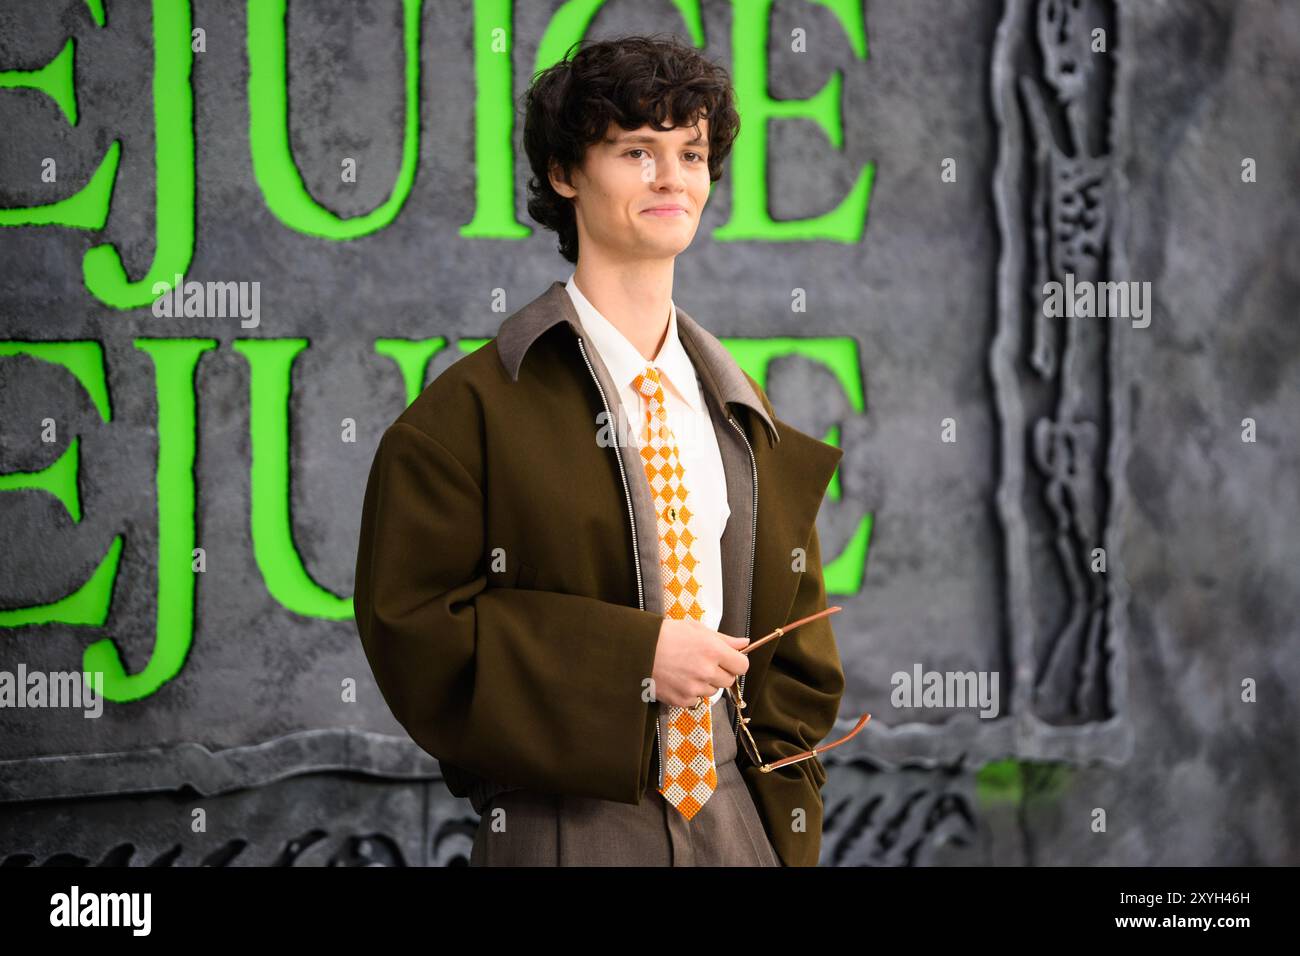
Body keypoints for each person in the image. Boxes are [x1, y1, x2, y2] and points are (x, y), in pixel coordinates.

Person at [352, 34, 845, 866]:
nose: (671, 178)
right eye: (635, 150)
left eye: (690, 153)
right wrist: (635, 659)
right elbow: (413, 630)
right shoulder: (469, 412)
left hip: (738, 825)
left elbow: (799, 642)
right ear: (564, 174)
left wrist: (781, 807)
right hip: (564, 830)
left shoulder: (739, 407)